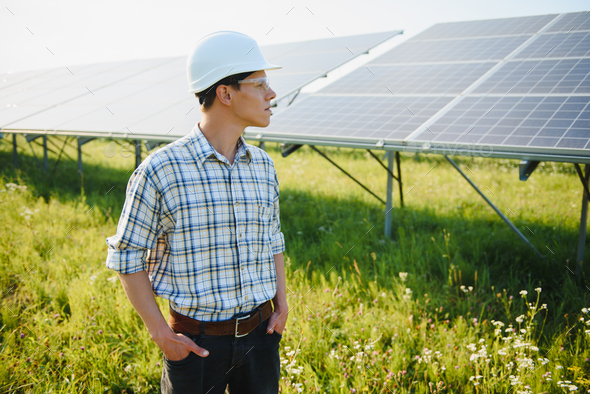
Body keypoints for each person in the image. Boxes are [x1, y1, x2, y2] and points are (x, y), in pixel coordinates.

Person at [105, 31, 287, 394]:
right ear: (225, 93)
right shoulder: (161, 169)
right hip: (196, 344)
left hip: (262, 334)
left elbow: (273, 237)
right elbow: (125, 255)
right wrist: (161, 334)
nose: (272, 93)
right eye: (261, 83)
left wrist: (281, 304)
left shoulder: (263, 165)